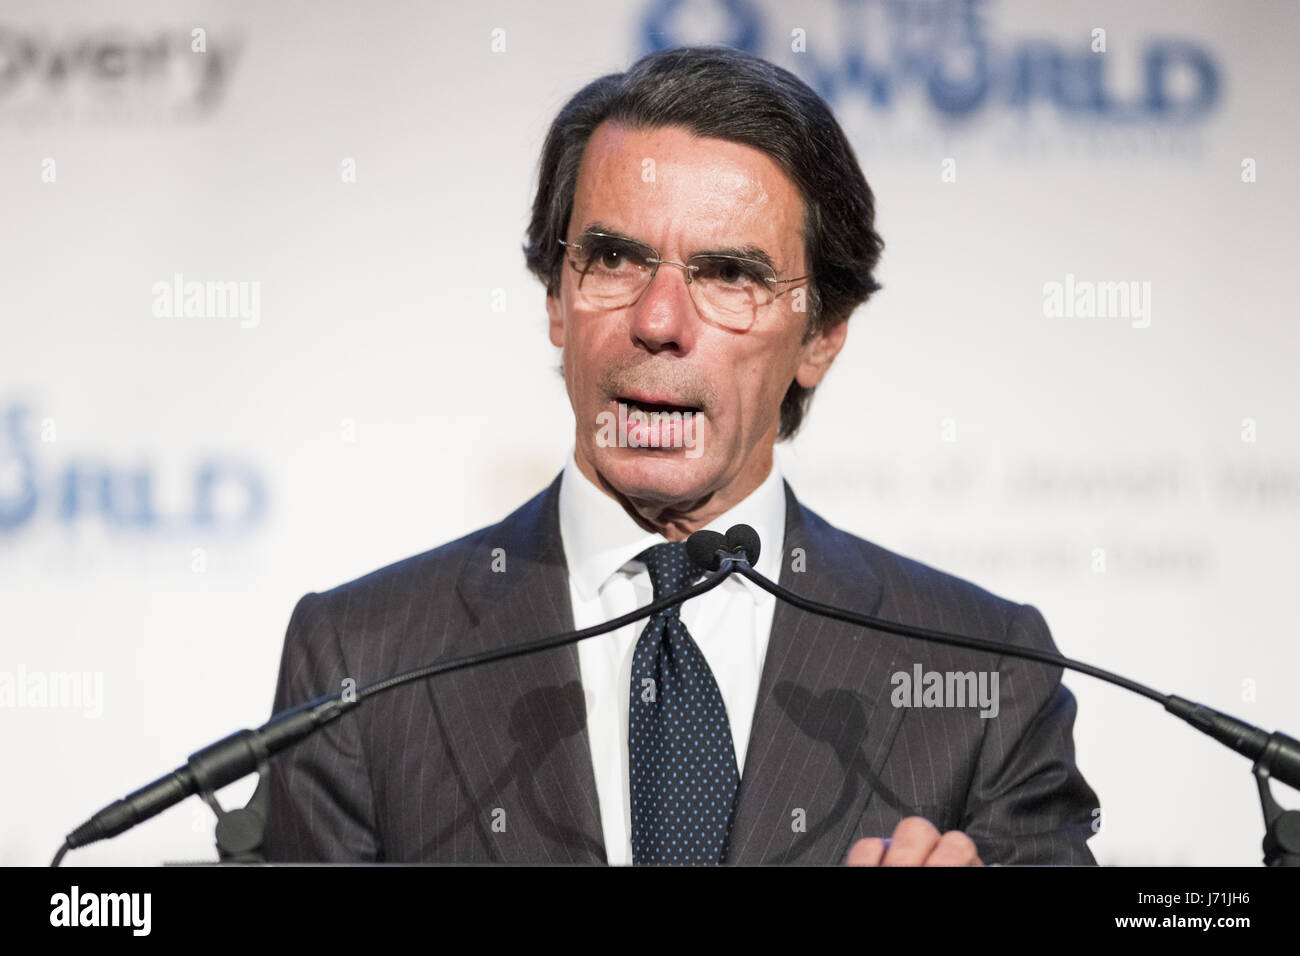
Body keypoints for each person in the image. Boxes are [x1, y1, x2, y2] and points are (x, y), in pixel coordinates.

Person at [263, 45, 1099, 866]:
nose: (658, 321)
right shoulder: (364, 662)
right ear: (557, 300)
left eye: (728, 273)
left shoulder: (981, 673)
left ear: (822, 336)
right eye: (615, 258)